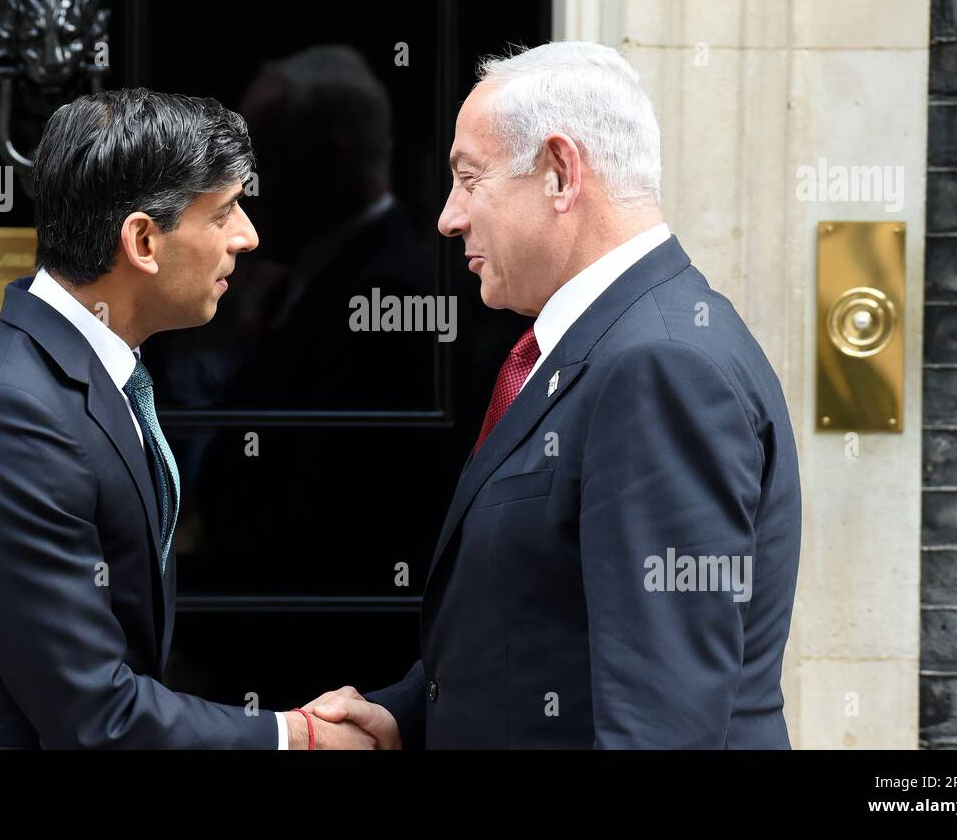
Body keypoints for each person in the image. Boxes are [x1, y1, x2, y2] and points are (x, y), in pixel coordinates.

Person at [307, 42, 803, 749]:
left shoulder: (657, 366)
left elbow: (662, 725)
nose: (448, 217)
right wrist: (404, 714)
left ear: (560, 173)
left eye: (469, 179)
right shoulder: (604, 345)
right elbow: (539, 623)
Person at [0, 88, 371, 748]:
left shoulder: (86, 371)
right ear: (143, 240)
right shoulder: (8, 415)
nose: (249, 236)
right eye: (226, 211)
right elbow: (96, 713)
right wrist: (296, 736)